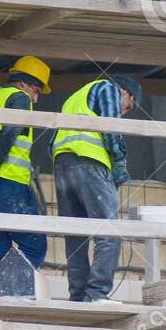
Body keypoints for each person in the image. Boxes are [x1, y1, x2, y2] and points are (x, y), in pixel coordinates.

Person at [0, 56, 53, 294]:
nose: (36, 99)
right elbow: (10, 133)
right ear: (31, 86)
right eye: (38, 92)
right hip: (9, 180)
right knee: (34, 243)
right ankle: (9, 290)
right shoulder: (21, 98)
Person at [51, 74, 140, 303]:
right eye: (128, 107)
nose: (124, 113)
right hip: (90, 163)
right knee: (109, 234)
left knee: (76, 237)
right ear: (126, 94)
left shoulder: (73, 100)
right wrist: (119, 162)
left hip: (62, 165)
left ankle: (78, 296)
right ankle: (96, 294)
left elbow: (52, 138)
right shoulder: (108, 88)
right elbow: (110, 127)